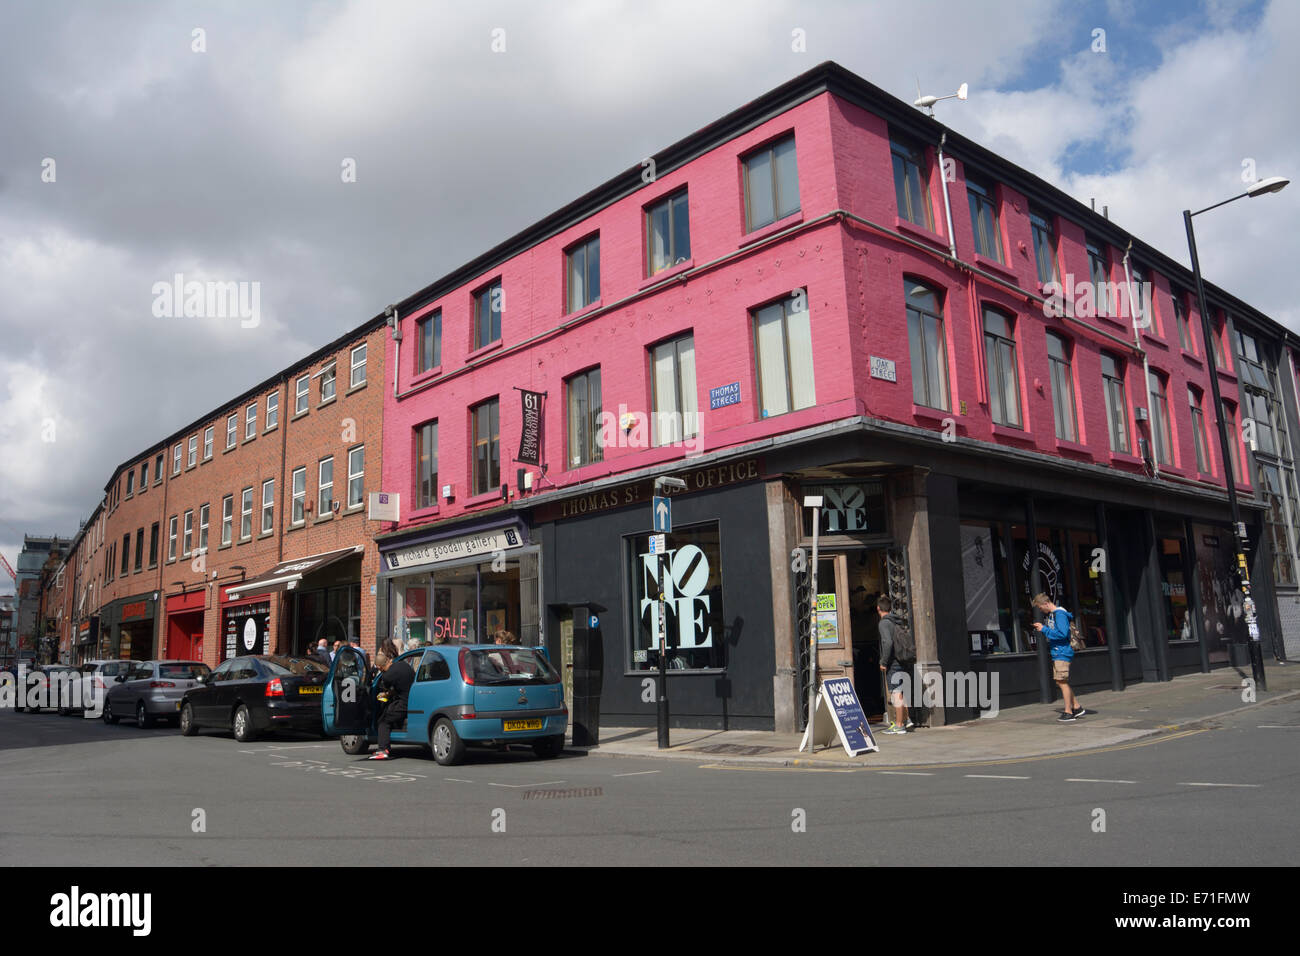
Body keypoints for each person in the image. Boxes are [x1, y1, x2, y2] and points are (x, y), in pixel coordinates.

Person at [1032, 593, 1091, 721]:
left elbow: (1062, 634)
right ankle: (1077, 707)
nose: (1041, 611)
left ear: (1046, 603)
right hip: (1058, 651)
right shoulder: (1055, 615)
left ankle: (1068, 712)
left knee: (1062, 682)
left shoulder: (1060, 615)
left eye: (1041, 608)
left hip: (1062, 652)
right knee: (1061, 681)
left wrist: (1044, 629)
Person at [369, 650, 415, 761]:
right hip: (415, 699)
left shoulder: (387, 676)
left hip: (404, 703)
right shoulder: (403, 664)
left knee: (383, 721)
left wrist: (385, 694)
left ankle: (383, 750)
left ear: (379, 667)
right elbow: (401, 686)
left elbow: (387, 690)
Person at [877, 596, 913, 734]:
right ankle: (906, 719)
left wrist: (883, 662)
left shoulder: (884, 623)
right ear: (890, 608)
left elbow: (888, 643)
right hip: (901, 659)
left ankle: (899, 725)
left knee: (896, 693)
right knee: (899, 692)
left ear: (878, 608)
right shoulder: (896, 621)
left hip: (893, 662)